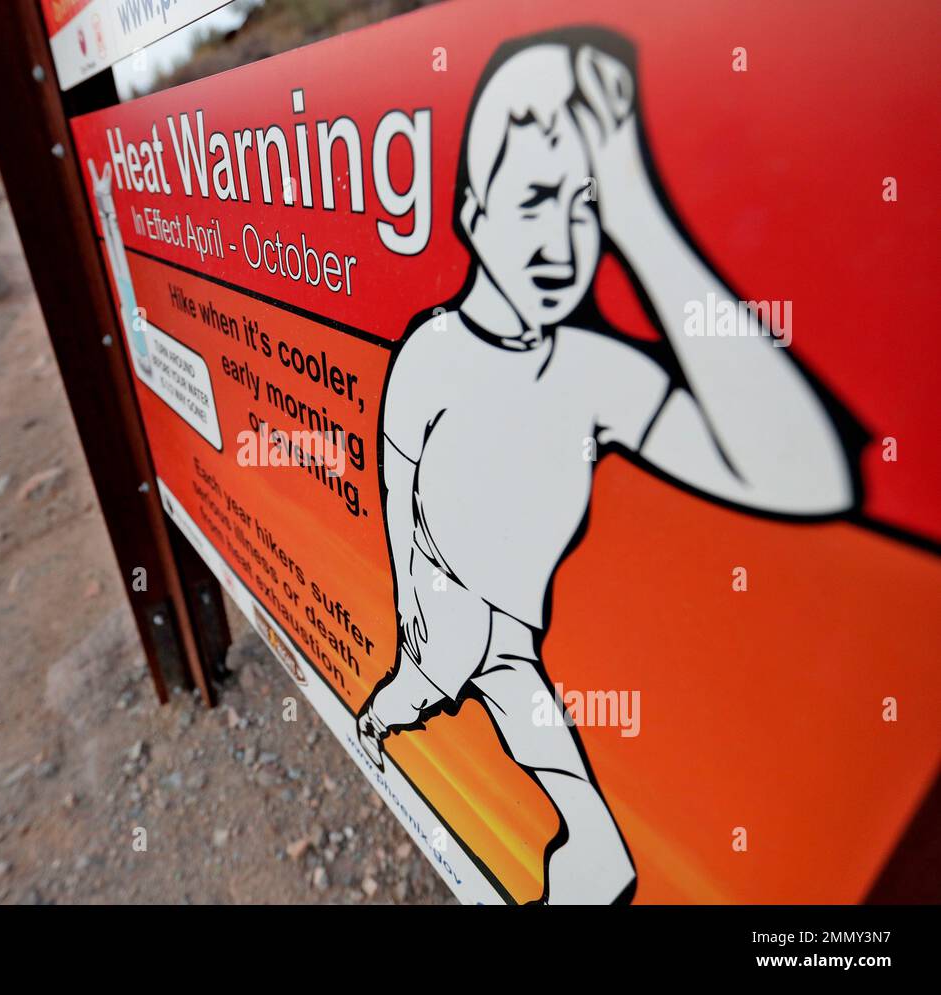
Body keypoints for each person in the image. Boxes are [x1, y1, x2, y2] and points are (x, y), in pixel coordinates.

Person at [355, 32, 859, 904]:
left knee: (607, 863)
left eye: (585, 208)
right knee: (407, 705)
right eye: (536, 199)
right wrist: (414, 623)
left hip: (510, 639)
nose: (561, 243)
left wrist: (639, 214)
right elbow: (398, 490)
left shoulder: (592, 375)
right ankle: (377, 722)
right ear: (474, 219)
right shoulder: (429, 356)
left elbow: (807, 475)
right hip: (442, 625)